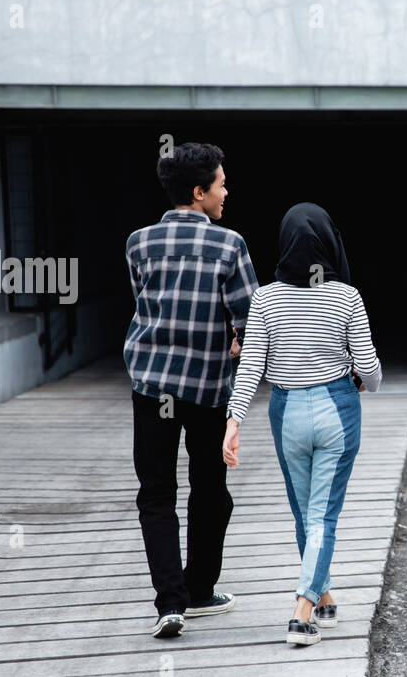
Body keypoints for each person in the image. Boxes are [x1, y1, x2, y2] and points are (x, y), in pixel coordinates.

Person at [222, 203, 381, 647]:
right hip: (336, 409)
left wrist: (234, 419)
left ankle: (324, 596)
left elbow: (251, 364)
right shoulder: (347, 296)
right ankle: (302, 611)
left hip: (286, 412)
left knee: (304, 514)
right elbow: (368, 367)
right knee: (323, 516)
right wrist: (366, 382)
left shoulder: (266, 298)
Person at [124, 142, 255, 640]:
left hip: (151, 386)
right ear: (199, 193)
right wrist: (235, 345)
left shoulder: (138, 243)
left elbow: (146, 304)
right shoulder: (230, 246)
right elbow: (249, 323)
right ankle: (200, 590)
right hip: (206, 388)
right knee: (210, 491)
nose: (226, 191)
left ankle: (170, 603)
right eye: (220, 184)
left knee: (156, 493)